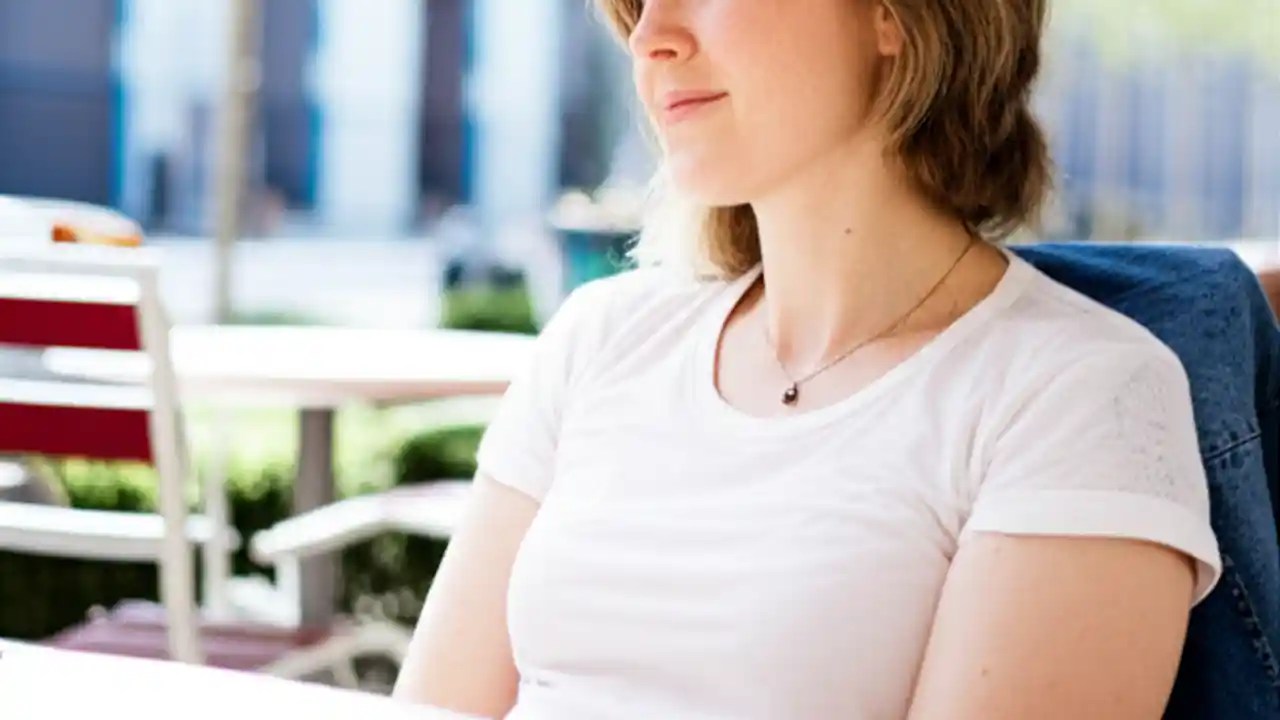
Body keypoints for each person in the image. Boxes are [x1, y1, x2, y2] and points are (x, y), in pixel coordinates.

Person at [393, 1, 1222, 717]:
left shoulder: (1078, 394)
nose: (651, 38)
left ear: (895, 15)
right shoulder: (600, 340)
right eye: (638, 1)